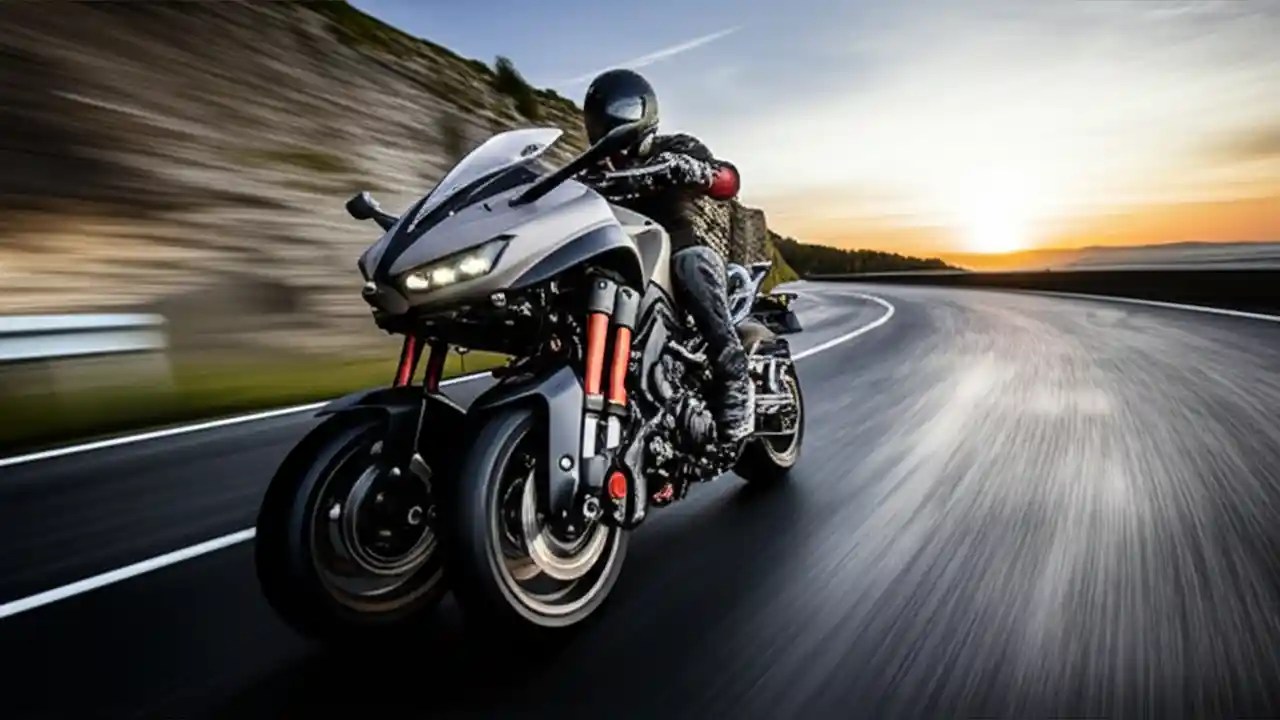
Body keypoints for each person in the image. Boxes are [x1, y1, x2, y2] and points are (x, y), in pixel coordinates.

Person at [580, 68, 753, 443]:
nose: (609, 125)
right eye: (600, 118)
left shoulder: (673, 149)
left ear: (643, 115)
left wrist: (695, 171)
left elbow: (728, 180)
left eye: (620, 113)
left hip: (677, 254)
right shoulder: (589, 173)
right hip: (623, 265)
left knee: (690, 262)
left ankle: (734, 373)